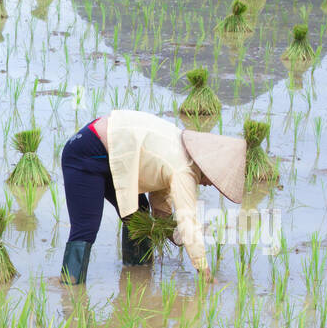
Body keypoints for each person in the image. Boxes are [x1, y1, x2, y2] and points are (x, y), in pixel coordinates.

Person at [58, 110, 247, 284]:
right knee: (86, 226)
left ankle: (136, 275)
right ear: (208, 167)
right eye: (213, 180)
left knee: (137, 212)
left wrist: (170, 231)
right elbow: (188, 220)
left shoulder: (179, 151)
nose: (209, 184)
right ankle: (70, 287)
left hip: (113, 152)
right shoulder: (183, 169)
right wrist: (204, 271)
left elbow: (159, 199)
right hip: (85, 153)